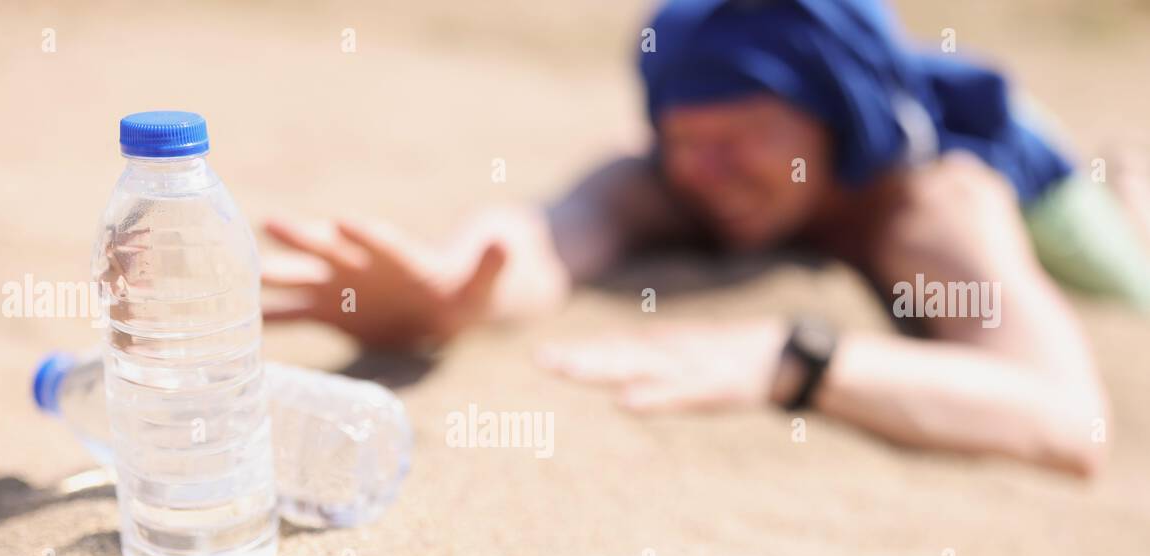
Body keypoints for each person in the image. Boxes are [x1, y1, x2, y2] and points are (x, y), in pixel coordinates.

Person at [260, 0, 1150, 476]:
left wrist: (796, 361)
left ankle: (1129, 182)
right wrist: (455, 293)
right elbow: (556, 232)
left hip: (1035, 170)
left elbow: (1068, 419)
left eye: (736, 137)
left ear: (832, 114)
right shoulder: (681, 175)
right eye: (680, 139)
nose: (702, 173)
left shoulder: (934, 205)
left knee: (1128, 271)